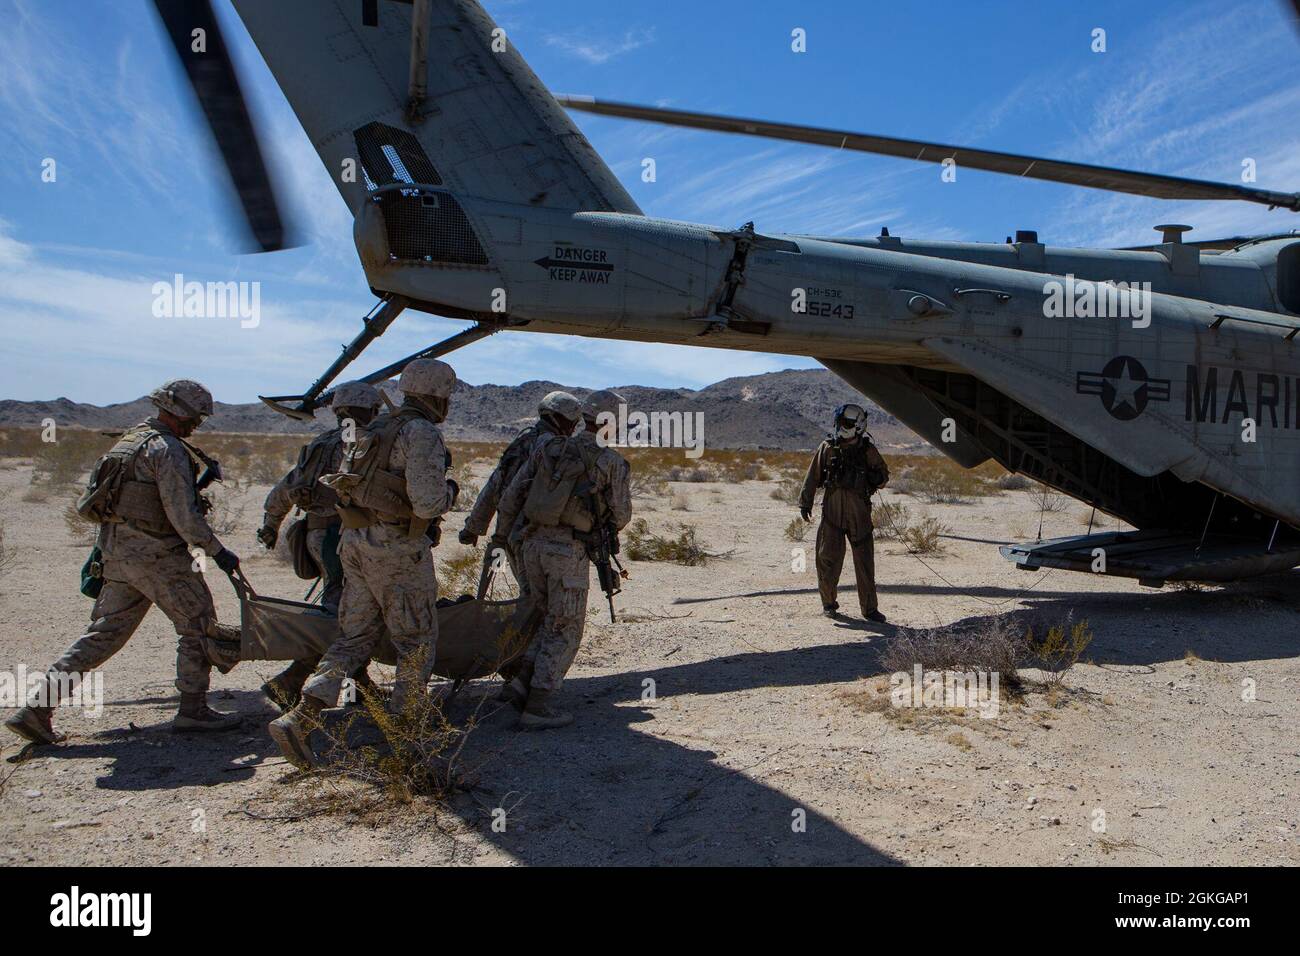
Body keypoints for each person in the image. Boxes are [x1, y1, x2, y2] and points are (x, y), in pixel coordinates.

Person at [5, 379, 242, 745]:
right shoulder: (167, 450)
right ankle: (193, 710)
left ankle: (37, 708)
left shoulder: (129, 442)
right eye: (195, 416)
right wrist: (217, 550)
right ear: (178, 410)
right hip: (157, 555)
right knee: (198, 624)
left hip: (117, 553)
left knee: (104, 634)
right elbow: (183, 515)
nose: (197, 424)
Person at [268, 359, 457, 769]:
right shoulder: (420, 432)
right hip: (396, 551)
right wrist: (451, 493)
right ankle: (407, 736)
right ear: (439, 395)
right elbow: (427, 502)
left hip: (355, 546)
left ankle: (300, 718)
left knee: (353, 639)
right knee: (415, 643)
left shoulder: (374, 429)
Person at [495, 389, 632, 729]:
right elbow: (622, 514)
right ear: (610, 424)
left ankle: (521, 682)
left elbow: (513, 494)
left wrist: (502, 536)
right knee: (566, 627)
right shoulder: (611, 462)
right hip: (566, 552)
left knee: (543, 617)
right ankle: (538, 706)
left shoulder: (548, 446)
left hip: (529, 544)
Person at [256, 380, 383, 710]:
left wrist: (271, 525)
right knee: (352, 615)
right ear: (371, 410)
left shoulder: (320, 444)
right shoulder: (365, 443)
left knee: (350, 610)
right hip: (343, 538)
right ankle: (292, 680)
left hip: (317, 534)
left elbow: (286, 488)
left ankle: (358, 686)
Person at [459, 391, 589, 595]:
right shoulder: (555, 449)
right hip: (532, 533)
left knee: (525, 592)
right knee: (537, 600)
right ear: (562, 420)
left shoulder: (521, 442)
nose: (573, 428)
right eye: (572, 422)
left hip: (507, 532)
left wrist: (474, 527)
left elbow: (494, 486)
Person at [798, 403, 890, 623]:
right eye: (839, 422)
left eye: (846, 423)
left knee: (865, 562)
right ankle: (829, 604)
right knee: (827, 558)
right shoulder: (827, 447)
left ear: (858, 426)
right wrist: (805, 502)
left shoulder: (868, 450)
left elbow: (884, 476)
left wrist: (876, 478)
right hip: (832, 513)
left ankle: (869, 609)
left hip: (859, 514)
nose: (841, 427)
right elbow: (812, 476)